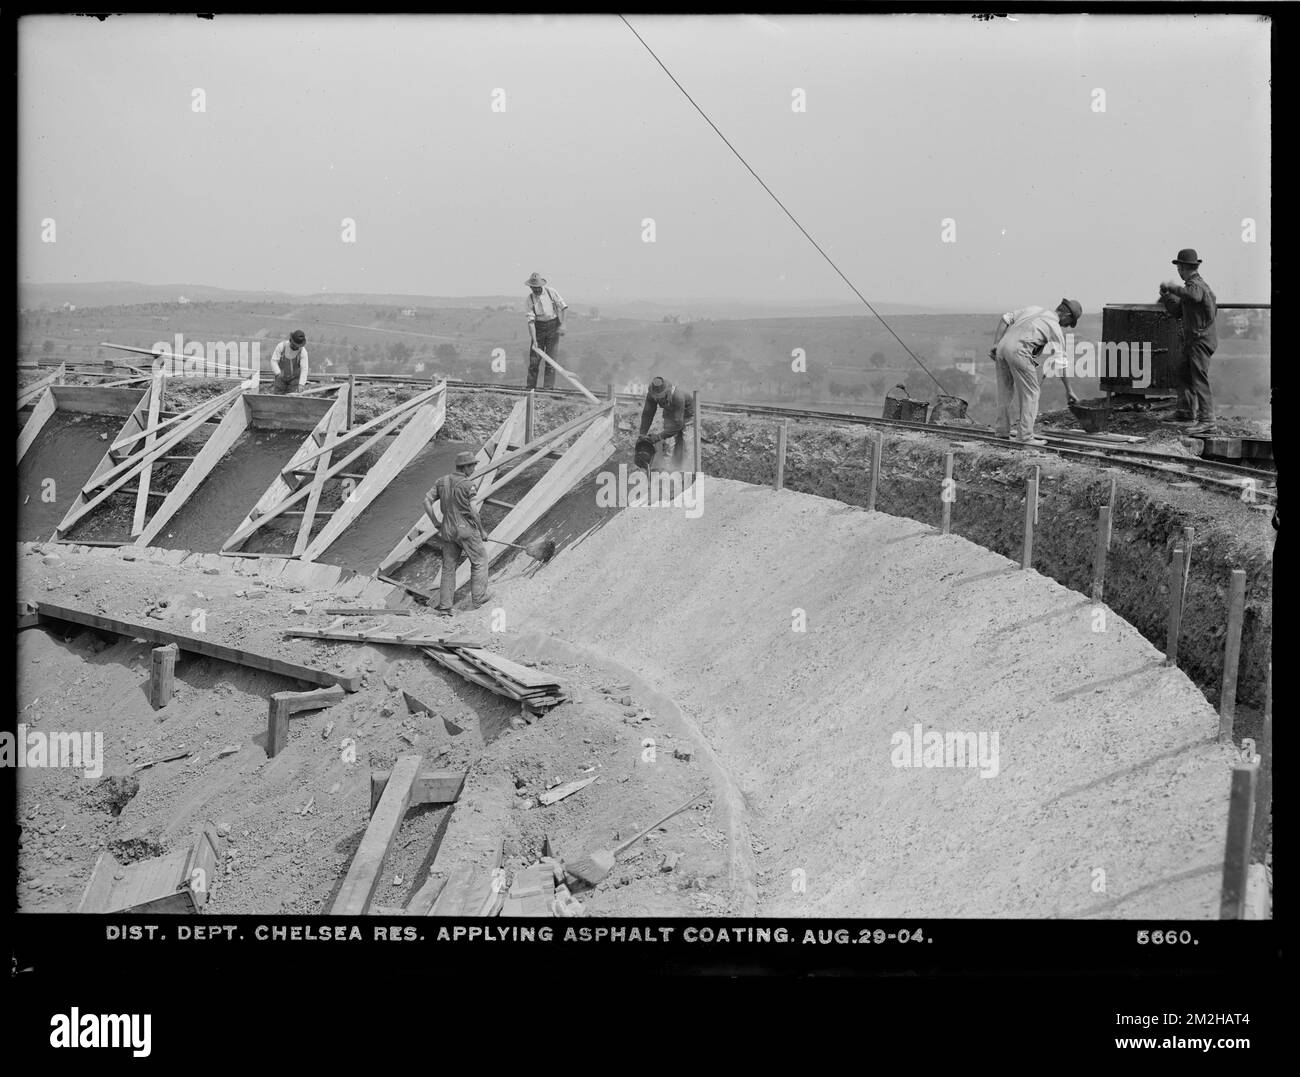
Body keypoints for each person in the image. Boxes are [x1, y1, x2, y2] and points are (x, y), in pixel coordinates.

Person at [988, 299, 1081, 445]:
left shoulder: (1033, 309)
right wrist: (1069, 390)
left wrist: (996, 343)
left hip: (1002, 347)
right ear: (1066, 315)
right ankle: (1025, 437)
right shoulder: (1054, 327)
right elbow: (1060, 363)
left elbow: (1005, 318)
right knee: (1032, 393)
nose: (1067, 326)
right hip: (1019, 351)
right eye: (1070, 322)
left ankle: (1001, 432)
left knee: (1004, 392)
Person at [1159, 248, 1218, 434]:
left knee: (1199, 378)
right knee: (1184, 373)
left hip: (1200, 340)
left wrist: (1173, 288)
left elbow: (1193, 296)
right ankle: (1185, 412)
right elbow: (1178, 311)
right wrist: (1167, 296)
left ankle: (1207, 419)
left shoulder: (1196, 286)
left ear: (1184, 267)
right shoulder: (1190, 288)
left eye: (1180, 267)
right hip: (1194, 340)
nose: (1178, 271)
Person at [424, 451, 491, 614]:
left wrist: (435, 522)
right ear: (465, 467)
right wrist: (482, 531)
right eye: (473, 465)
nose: (474, 468)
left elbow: (426, 501)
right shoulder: (469, 485)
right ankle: (478, 598)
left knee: (448, 567)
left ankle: (445, 607)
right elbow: (474, 511)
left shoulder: (442, 482)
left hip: (447, 530)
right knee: (480, 561)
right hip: (466, 530)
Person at [638, 375, 695, 470]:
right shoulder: (652, 394)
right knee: (668, 445)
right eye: (656, 397)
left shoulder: (678, 396)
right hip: (670, 415)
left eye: (660, 397)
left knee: (687, 444)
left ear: (667, 391)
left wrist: (659, 436)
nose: (658, 399)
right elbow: (648, 414)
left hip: (687, 416)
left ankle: (688, 471)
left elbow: (678, 424)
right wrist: (642, 434)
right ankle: (668, 471)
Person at [523, 272, 567, 390]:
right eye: (533, 288)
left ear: (541, 285)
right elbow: (531, 322)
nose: (536, 290)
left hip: (553, 325)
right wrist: (534, 340)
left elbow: (563, 307)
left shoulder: (551, 292)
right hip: (539, 328)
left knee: (551, 360)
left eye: (537, 287)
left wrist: (563, 324)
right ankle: (530, 388)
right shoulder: (530, 299)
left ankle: (548, 389)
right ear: (531, 287)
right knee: (534, 361)